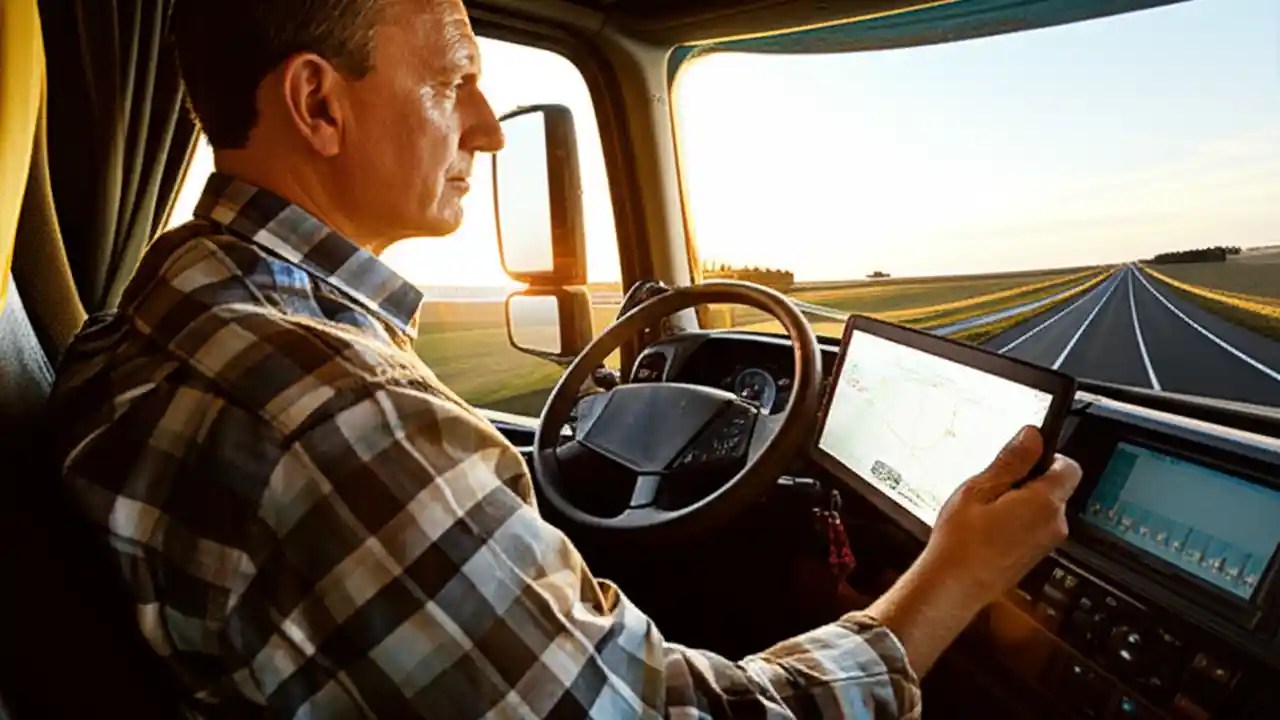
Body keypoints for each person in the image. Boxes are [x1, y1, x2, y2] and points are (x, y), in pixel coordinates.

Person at [48, 0, 1083, 717]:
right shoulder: (344, 420)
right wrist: (949, 579)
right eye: (453, 82)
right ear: (319, 105)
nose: (487, 130)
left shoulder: (175, 297)